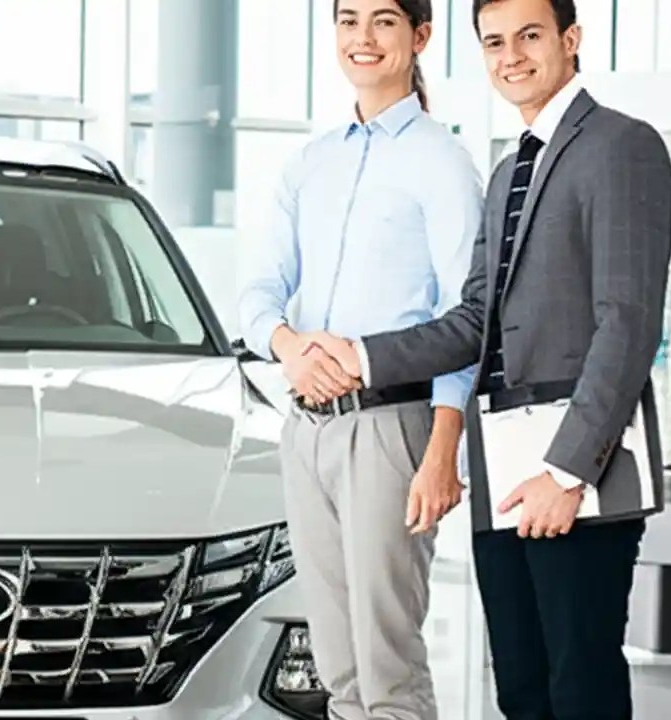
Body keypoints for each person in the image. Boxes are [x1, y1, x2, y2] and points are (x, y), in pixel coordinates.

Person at [308, 1, 671, 718]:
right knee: (521, 690)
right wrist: (361, 355)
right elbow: (475, 319)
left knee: (581, 688)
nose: (511, 56)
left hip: (577, 471)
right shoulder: (510, 169)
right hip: (502, 468)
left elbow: (627, 325)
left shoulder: (621, 145)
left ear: (570, 40)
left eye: (530, 36)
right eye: (494, 42)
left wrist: (568, 470)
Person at [236, 1, 484, 717]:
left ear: (420, 37)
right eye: (349, 21)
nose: (363, 38)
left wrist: (443, 452)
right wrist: (288, 346)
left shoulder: (441, 160)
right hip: (307, 427)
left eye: (382, 21)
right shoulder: (312, 161)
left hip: (391, 430)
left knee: (388, 666)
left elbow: (465, 318)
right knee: (336, 666)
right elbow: (258, 292)